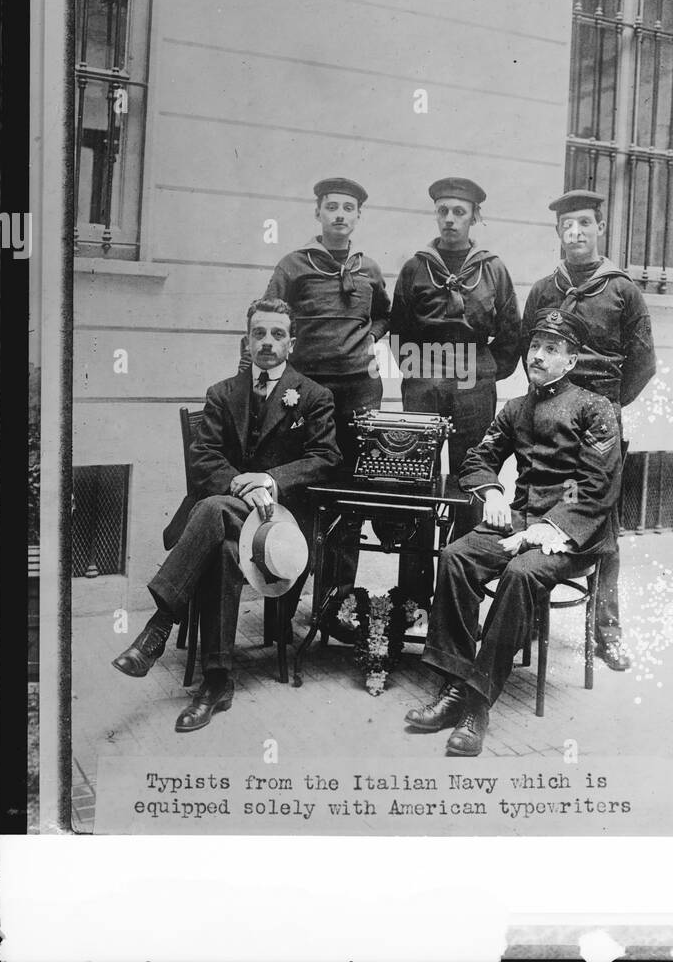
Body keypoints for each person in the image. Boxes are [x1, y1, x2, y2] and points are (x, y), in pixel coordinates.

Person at [111, 298, 341, 732]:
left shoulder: (313, 396)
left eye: (277, 334)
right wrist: (239, 484)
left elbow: (326, 458)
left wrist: (268, 481)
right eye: (259, 334)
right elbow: (204, 461)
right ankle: (217, 683)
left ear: (291, 343)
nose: (267, 343)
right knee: (221, 542)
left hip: (281, 526)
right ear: (246, 341)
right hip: (229, 520)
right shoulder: (222, 394)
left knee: (213, 510)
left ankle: (158, 628)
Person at [405, 308, 622, 757]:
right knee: (455, 557)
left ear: (571, 361)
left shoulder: (594, 408)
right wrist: (494, 492)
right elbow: (477, 458)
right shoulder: (516, 408)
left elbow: (596, 487)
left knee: (521, 573)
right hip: (518, 521)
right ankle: (454, 686)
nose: (537, 356)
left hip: (573, 532)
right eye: (535, 346)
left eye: (552, 349)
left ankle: (477, 706)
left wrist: (542, 529)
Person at [520, 190, 656, 670]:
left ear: (600, 228)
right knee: (537, 501)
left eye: (584, 223)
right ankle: (522, 617)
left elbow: (644, 362)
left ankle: (607, 632)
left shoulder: (622, 291)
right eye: (566, 226)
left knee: (603, 525)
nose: (575, 233)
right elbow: (528, 351)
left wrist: (606, 406)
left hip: (598, 421)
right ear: (558, 233)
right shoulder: (543, 289)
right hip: (550, 415)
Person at [390, 177, 521, 608]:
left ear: (474, 217)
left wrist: (484, 373)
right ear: (436, 215)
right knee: (418, 485)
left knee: (472, 483)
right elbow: (399, 330)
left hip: (473, 383)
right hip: (424, 382)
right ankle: (413, 599)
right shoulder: (416, 267)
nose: (450, 219)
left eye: (459, 212)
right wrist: (421, 376)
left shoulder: (492, 268)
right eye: (443, 210)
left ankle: (459, 597)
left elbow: (510, 333)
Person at [264, 179, 391, 618]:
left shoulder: (369, 268)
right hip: (305, 391)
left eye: (348, 208)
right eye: (331, 206)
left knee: (351, 492)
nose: (339, 214)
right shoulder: (294, 265)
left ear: (358, 216)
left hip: (359, 389)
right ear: (318, 212)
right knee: (299, 489)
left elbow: (383, 315)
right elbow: (269, 319)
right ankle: (285, 602)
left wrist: (368, 339)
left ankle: (336, 605)